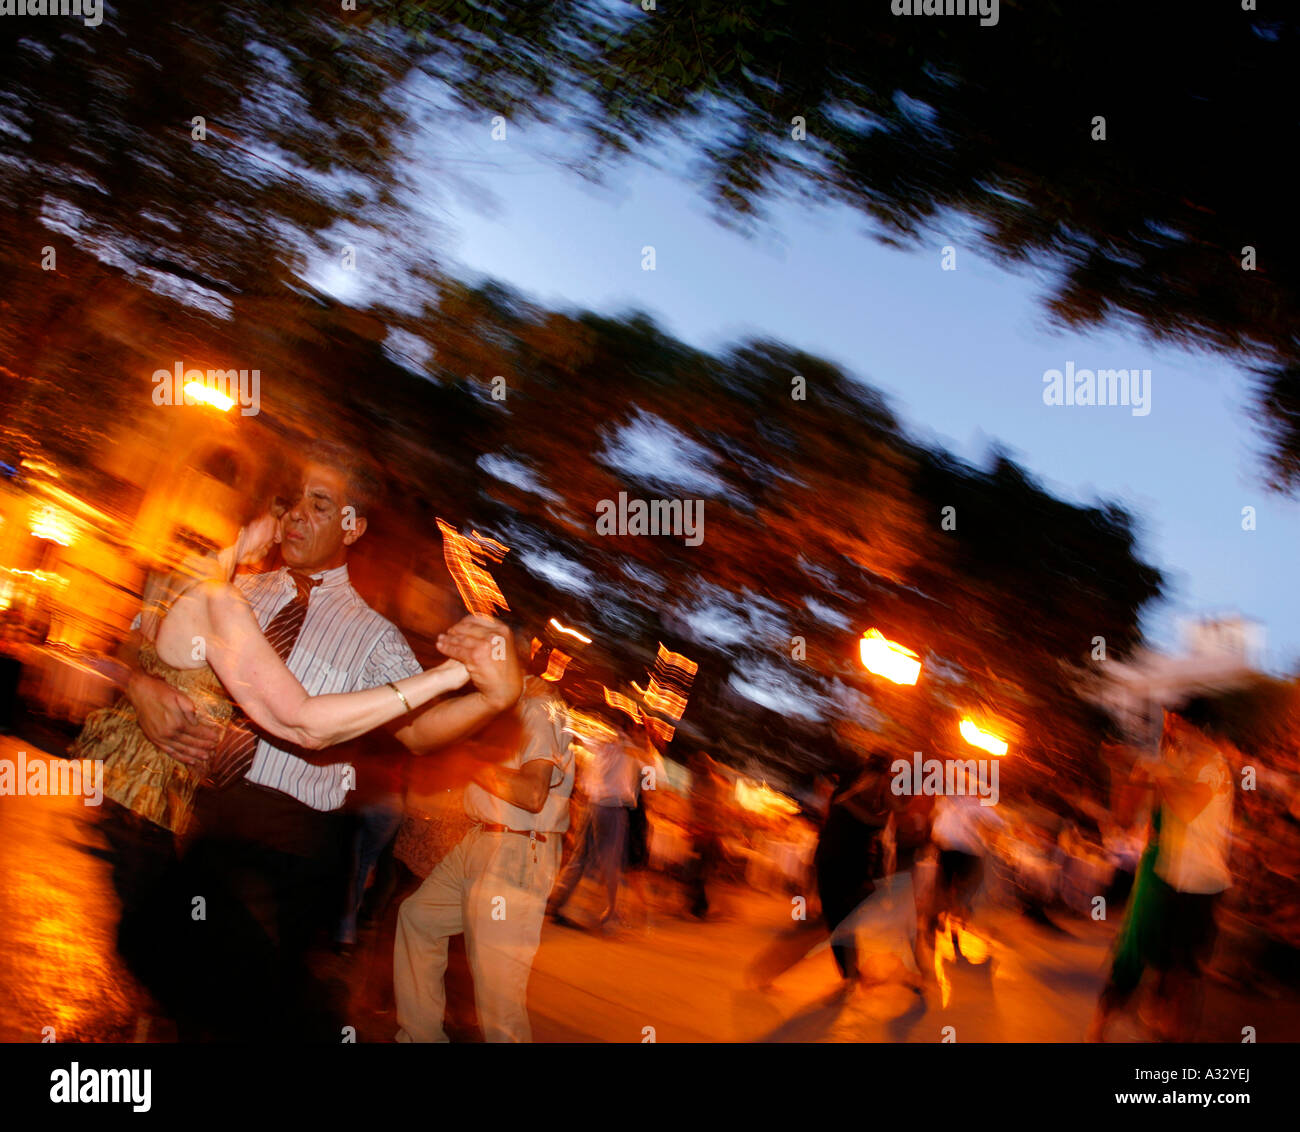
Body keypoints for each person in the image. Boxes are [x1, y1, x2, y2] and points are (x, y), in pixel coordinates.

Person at [118, 443, 524, 1039]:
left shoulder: (374, 636)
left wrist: (490, 699)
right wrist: (142, 686)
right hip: (204, 820)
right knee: (176, 989)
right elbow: (144, 641)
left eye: (320, 504)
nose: (297, 516)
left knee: (234, 1009)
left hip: (290, 846)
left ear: (352, 527)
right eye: (294, 502)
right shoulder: (242, 593)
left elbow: (416, 731)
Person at [394, 657, 574, 1042]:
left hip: (516, 847)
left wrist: (469, 761)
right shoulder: (497, 709)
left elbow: (533, 793)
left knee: (497, 995)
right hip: (478, 840)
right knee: (417, 917)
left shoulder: (538, 707)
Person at [1087, 704, 1235, 1042]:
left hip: (1200, 880)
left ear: (1188, 725)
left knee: (1180, 970)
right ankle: (1101, 1026)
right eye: (1167, 722)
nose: (1168, 730)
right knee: (1133, 954)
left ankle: (1166, 1026)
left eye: (1173, 721)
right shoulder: (1169, 762)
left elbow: (1186, 809)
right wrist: (1121, 772)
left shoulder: (1212, 764)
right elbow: (1124, 818)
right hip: (1160, 872)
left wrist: (1155, 770)